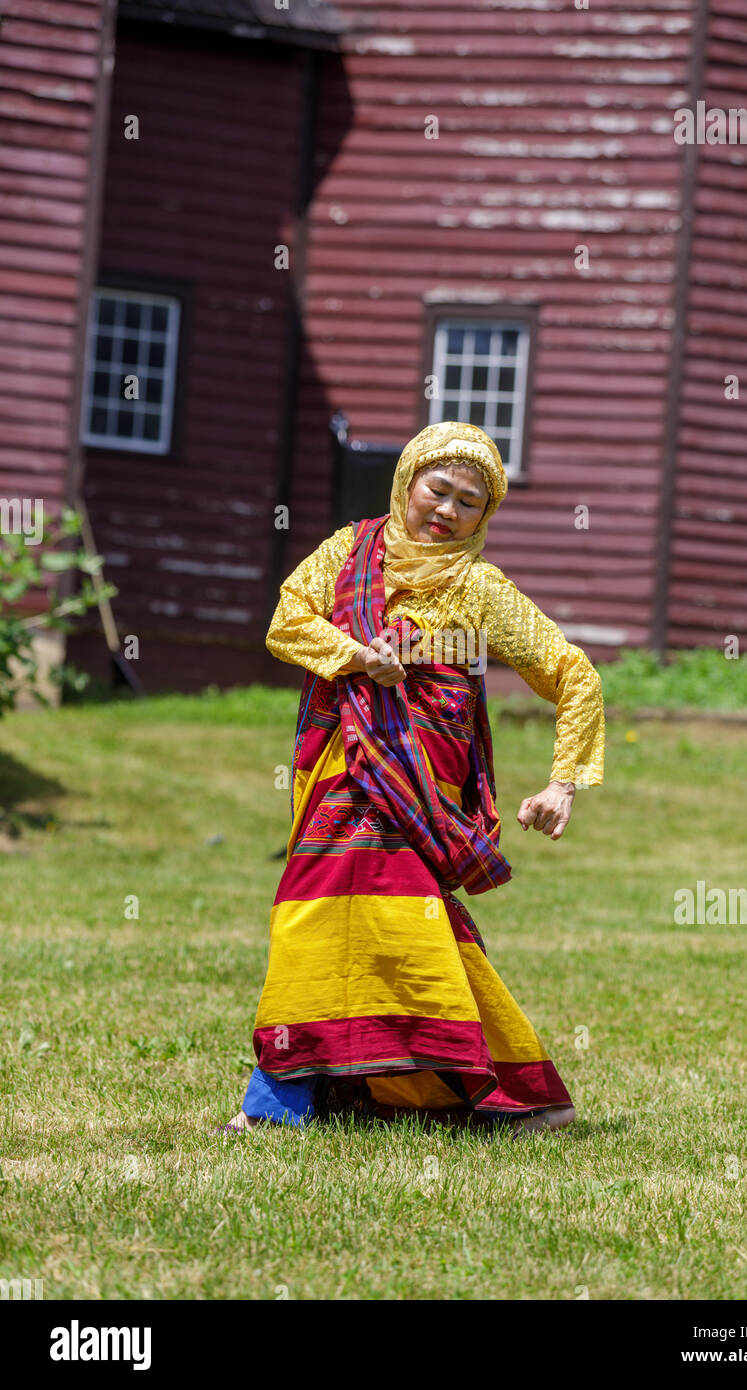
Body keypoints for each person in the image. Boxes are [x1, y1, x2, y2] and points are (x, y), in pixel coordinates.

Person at [219, 420, 605, 1139]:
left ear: (483, 518)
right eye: (439, 488)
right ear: (408, 481)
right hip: (345, 763)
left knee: (392, 915)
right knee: (345, 914)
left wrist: (564, 783)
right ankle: (516, 1094)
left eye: (469, 502)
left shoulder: (480, 587)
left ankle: (286, 1107)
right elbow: (285, 621)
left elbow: (572, 672)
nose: (448, 510)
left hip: (422, 781)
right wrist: (361, 657)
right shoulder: (349, 550)